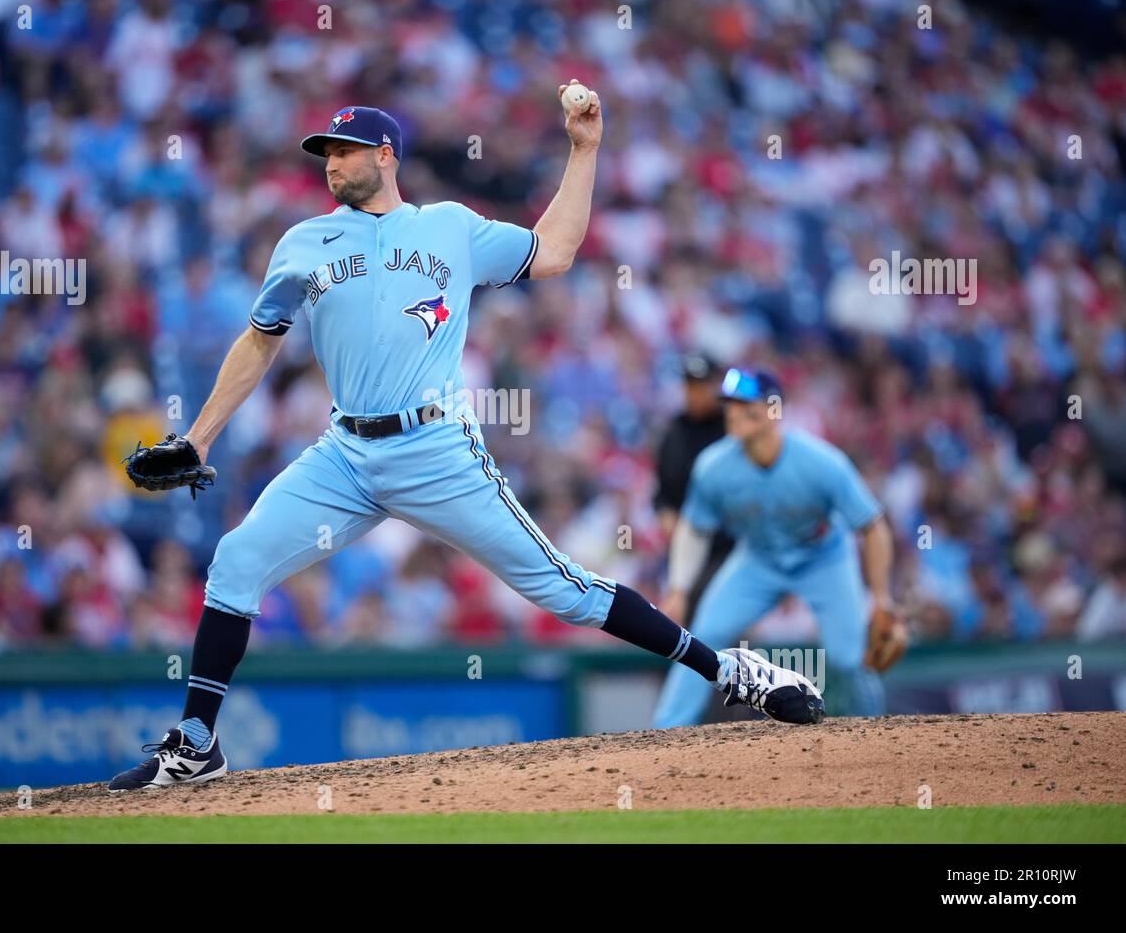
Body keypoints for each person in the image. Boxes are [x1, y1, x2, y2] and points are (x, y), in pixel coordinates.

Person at [109, 88, 823, 792]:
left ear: (386, 155)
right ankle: (198, 744)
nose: (331, 162)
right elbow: (260, 341)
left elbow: (554, 251)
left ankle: (733, 672)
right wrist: (199, 440)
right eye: (324, 151)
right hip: (345, 455)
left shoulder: (450, 226)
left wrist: (584, 149)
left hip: (434, 450)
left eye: (344, 149)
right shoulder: (304, 242)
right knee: (235, 560)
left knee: (564, 590)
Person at [652, 367, 896, 728]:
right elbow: (694, 529)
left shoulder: (820, 462)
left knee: (847, 658)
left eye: (746, 404)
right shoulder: (714, 466)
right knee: (703, 636)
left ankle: (876, 734)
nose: (734, 413)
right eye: (730, 405)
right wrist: (678, 588)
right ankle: (666, 731)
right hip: (758, 559)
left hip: (823, 557)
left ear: (774, 409)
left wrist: (881, 597)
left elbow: (872, 526)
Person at [652, 354, 734, 617]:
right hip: (685, 542)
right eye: (689, 386)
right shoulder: (675, 431)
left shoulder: (733, 428)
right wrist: (665, 513)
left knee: (719, 619)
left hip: (729, 544)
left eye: (701, 386)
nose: (694, 394)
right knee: (679, 619)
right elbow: (663, 491)